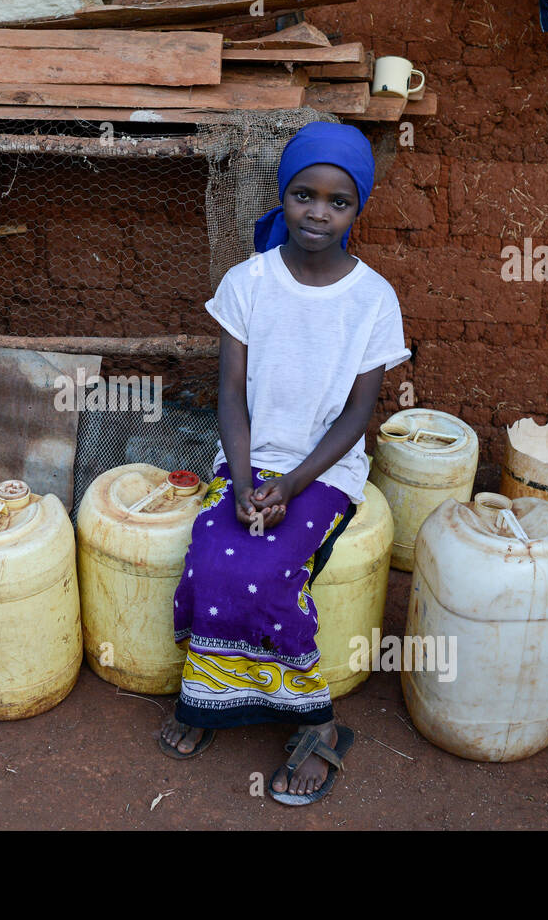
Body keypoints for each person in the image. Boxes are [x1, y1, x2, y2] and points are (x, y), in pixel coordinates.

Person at [158, 121, 410, 806]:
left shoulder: (373, 300)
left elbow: (358, 416)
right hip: (247, 462)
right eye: (304, 195)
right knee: (211, 556)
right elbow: (231, 394)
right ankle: (210, 700)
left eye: (338, 201)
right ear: (284, 195)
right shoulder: (249, 283)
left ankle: (319, 724)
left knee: (267, 572)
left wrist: (291, 485)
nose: (318, 213)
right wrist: (241, 482)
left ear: (358, 209)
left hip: (324, 471)